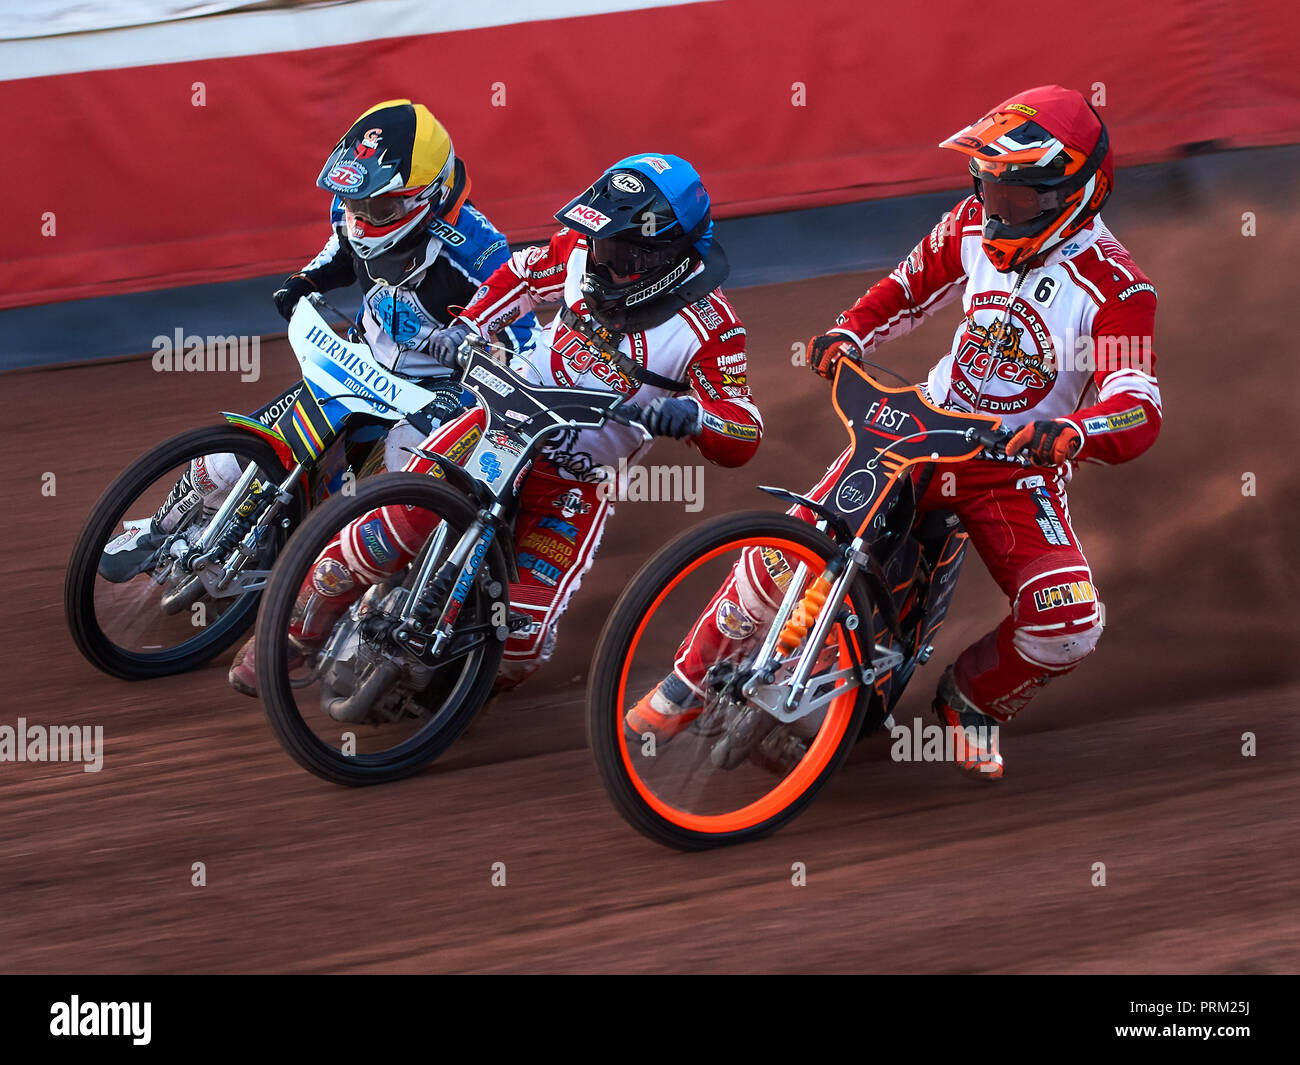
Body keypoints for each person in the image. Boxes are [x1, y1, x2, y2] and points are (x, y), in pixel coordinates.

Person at [628, 86, 1163, 781]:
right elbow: (906, 288)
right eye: (988, 186)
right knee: (795, 540)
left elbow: (1137, 405)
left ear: (1076, 194)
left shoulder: (1119, 290)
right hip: (923, 423)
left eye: (1017, 196)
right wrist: (848, 330)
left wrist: (1073, 431)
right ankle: (688, 682)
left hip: (1014, 465)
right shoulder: (972, 224)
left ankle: (970, 703)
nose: (995, 207)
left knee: (1069, 620)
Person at [228, 153, 763, 698]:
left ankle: (448, 691)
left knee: (524, 641)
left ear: (667, 255)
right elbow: (522, 277)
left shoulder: (712, 329)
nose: (598, 262)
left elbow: (745, 429)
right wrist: (468, 328)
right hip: (500, 424)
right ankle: (291, 640)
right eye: (597, 244)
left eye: (619, 252)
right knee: (386, 530)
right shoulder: (579, 251)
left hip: (578, 482)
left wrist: (696, 416)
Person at [99, 99, 533, 583]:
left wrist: (476, 349)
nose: (361, 217)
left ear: (422, 197)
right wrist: (304, 281)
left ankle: (394, 581)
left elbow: (524, 346)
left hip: (441, 391)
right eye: (355, 203)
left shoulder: (480, 251)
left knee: (402, 465)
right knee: (229, 459)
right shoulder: (355, 206)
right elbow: (341, 251)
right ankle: (161, 527)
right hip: (363, 361)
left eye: (378, 207)